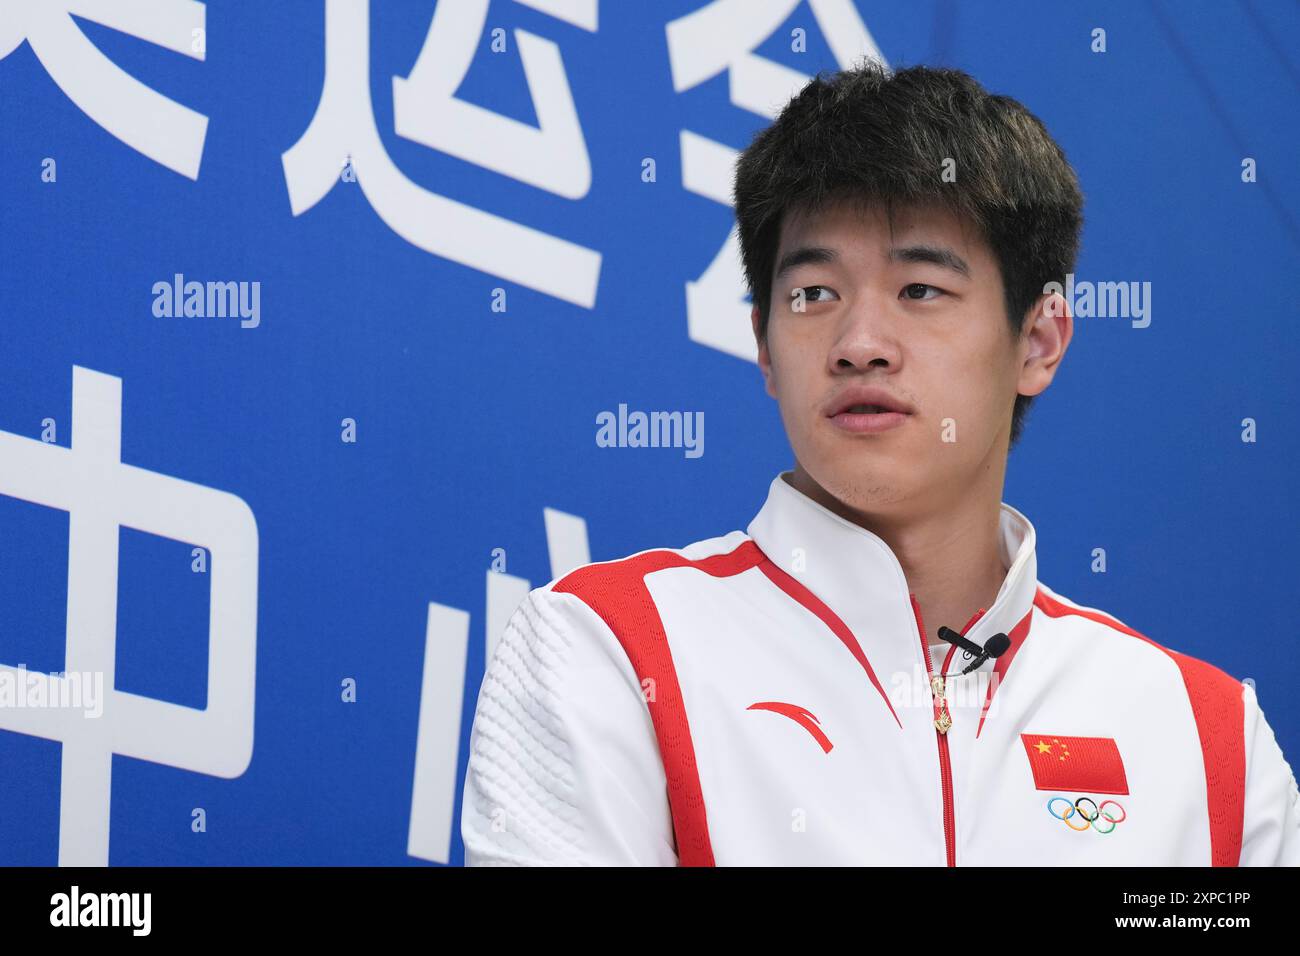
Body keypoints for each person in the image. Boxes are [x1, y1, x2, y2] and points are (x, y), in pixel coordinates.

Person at [460, 60, 1300, 866]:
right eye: (814, 294)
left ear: (1037, 341)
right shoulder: (607, 650)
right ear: (763, 345)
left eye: (921, 291)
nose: (859, 345)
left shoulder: (1205, 737)